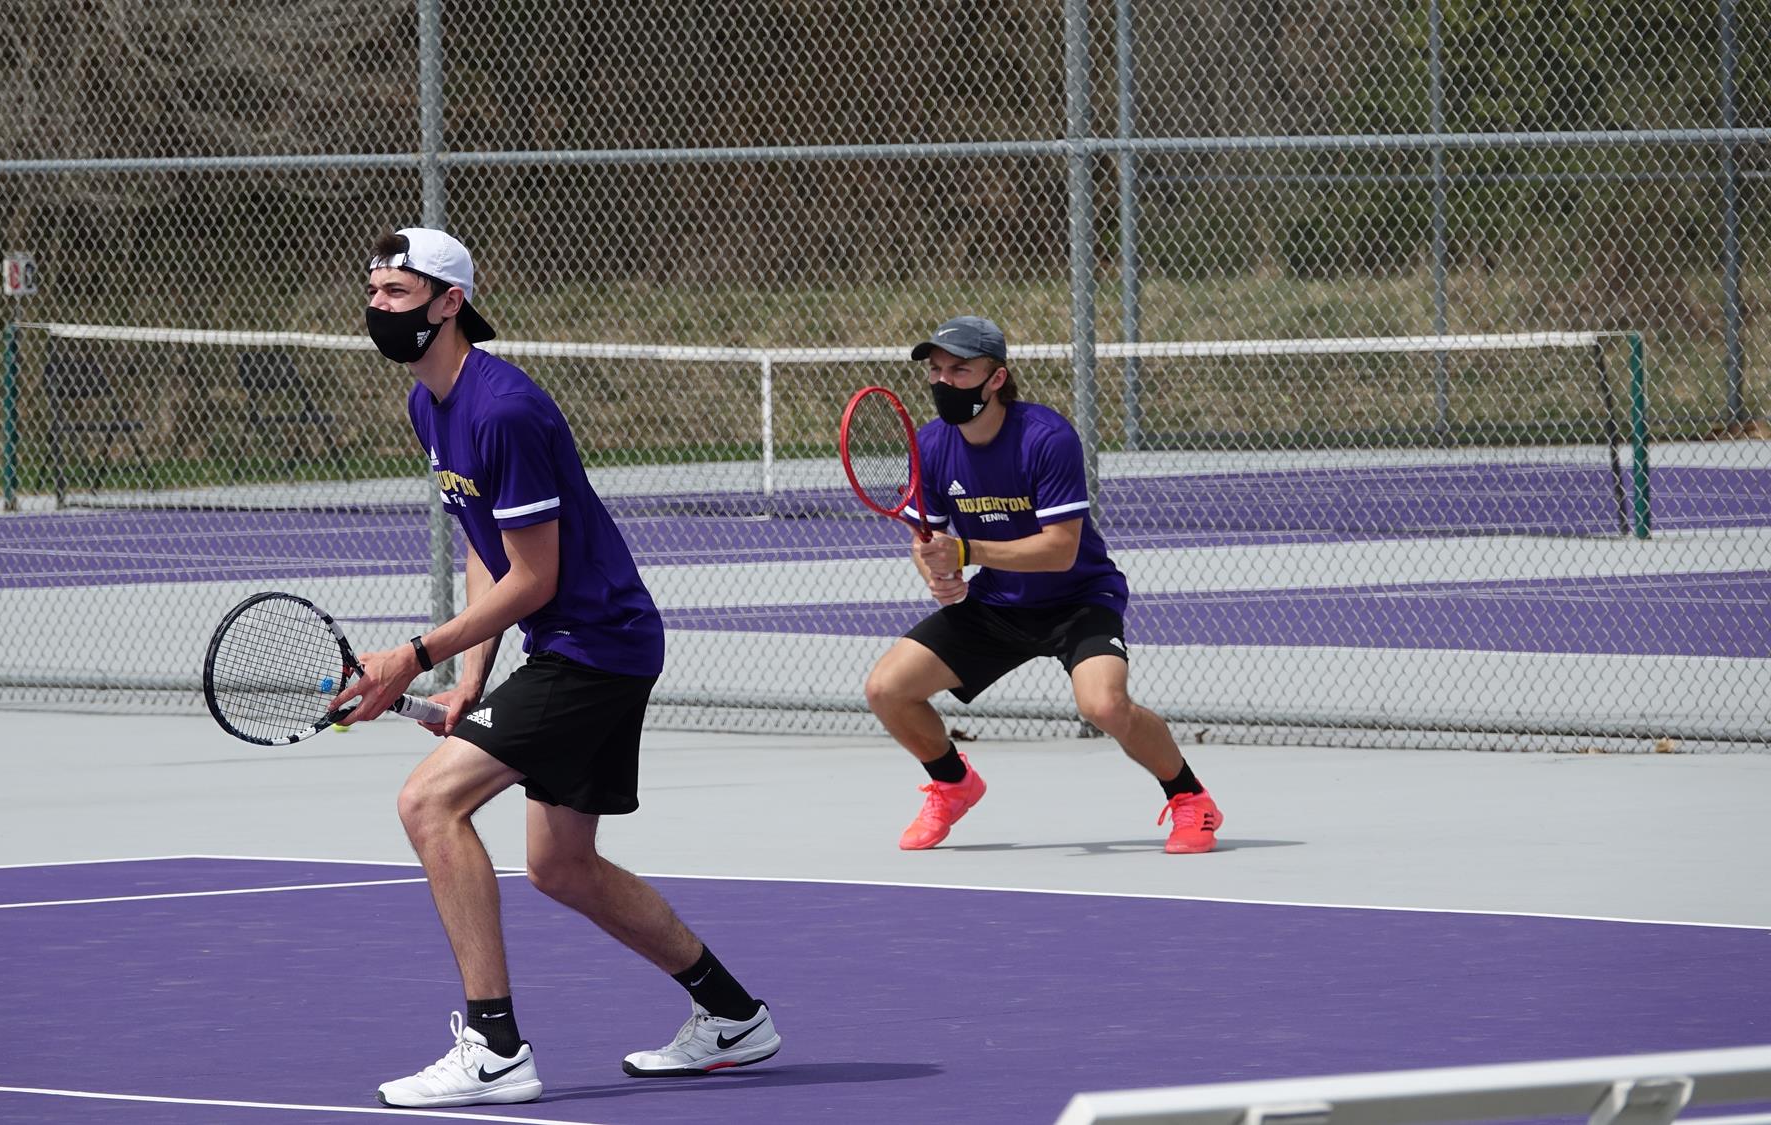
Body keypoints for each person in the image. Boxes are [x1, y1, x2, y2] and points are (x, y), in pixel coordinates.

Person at [337, 227, 779, 1109]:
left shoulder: (505, 408)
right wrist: (466, 676)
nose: (378, 308)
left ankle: (495, 1048)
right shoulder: (432, 405)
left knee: (429, 802)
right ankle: (734, 1016)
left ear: (449, 302)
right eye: (375, 292)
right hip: (580, 645)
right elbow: (488, 548)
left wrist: (412, 655)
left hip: (595, 647)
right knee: (562, 867)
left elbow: (535, 578)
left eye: (396, 293)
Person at [862, 315, 1224, 854]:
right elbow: (927, 538)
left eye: (960, 370)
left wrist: (967, 552)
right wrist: (938, 572)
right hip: (997, 603)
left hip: (1078, 599)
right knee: (887, 689)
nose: (943, 381)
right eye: (936, 370)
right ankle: (952, 783)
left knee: (1104, 706)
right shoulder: (932, 444)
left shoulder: (1046, 437)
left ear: (997, 379)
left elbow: (1061, 549)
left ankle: (1192, 800)